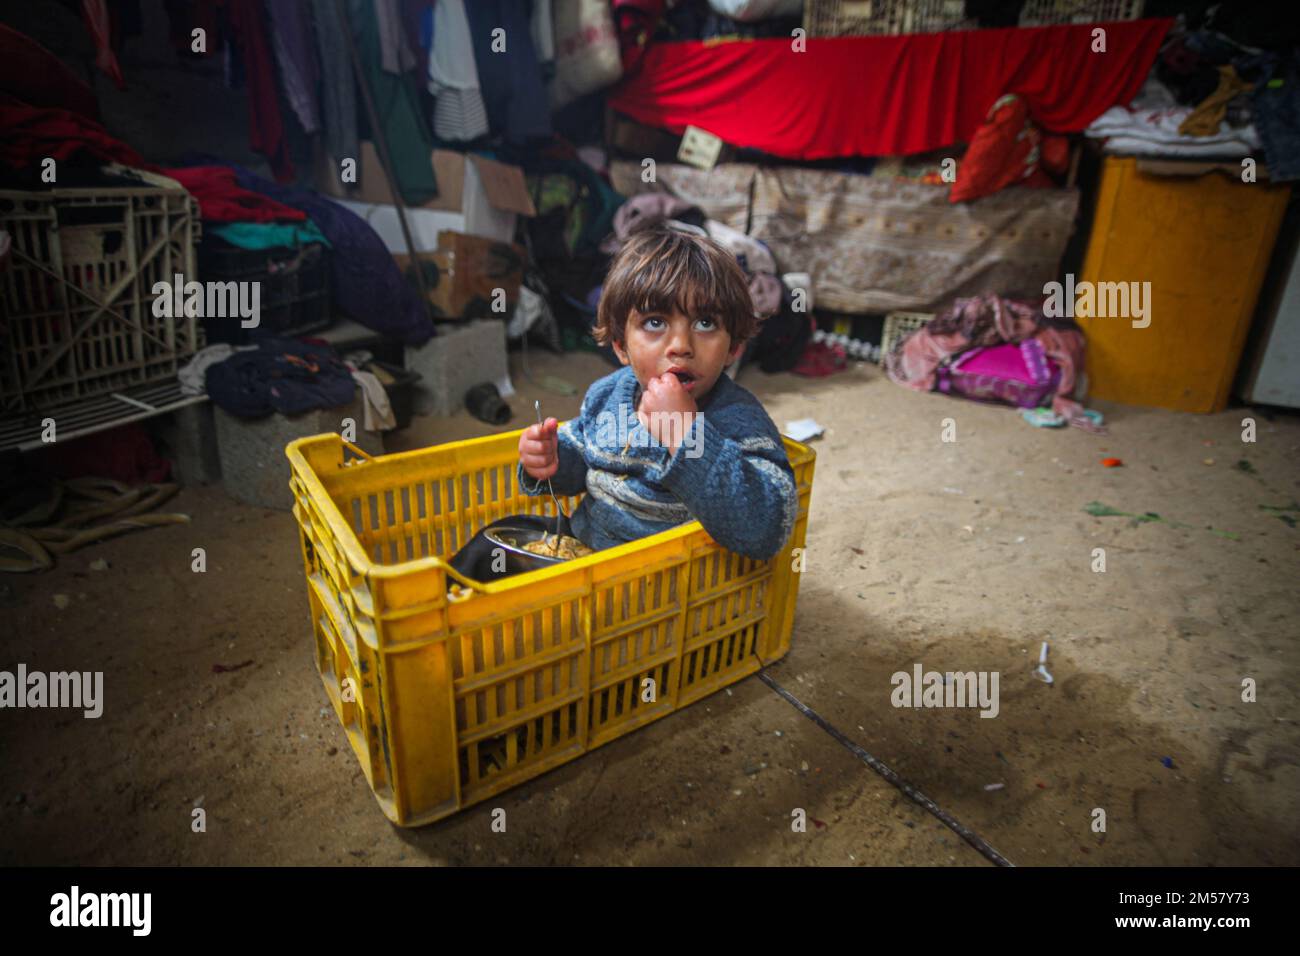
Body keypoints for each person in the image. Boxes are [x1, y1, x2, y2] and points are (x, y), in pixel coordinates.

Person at [517, 224, 797, 561]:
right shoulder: (607, 395)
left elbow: (764, 531)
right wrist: (552, 460)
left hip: (674, 588)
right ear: (621, 347)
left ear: (734, 348)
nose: (680, 346)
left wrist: (687, 436)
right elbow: (584, 459)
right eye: (654, 322)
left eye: (705, 323)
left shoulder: (739, 420)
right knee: (497, 547)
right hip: (586, 557)